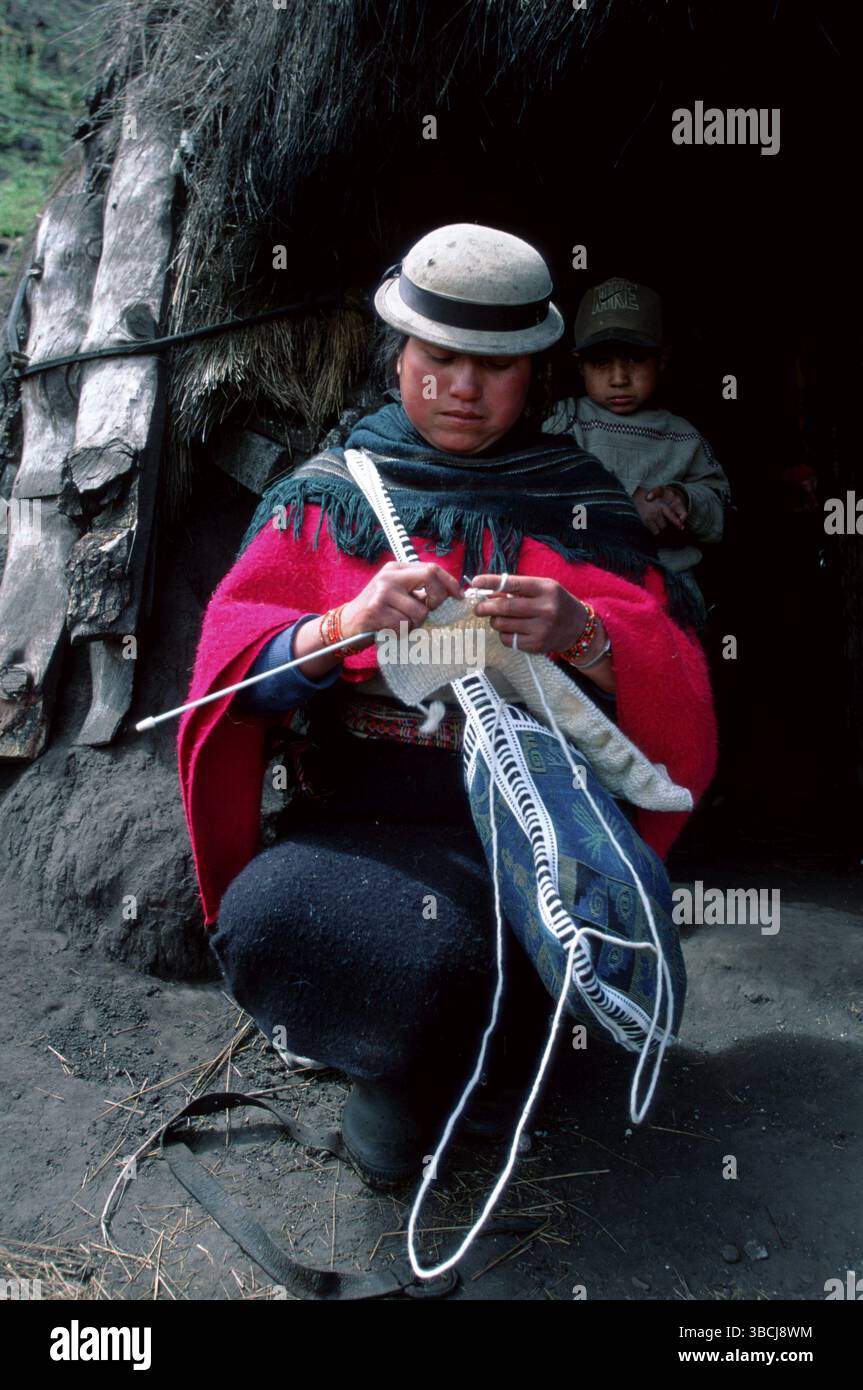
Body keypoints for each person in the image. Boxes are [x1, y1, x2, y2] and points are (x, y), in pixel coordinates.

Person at [178, 225, 717, 1191]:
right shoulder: (325, 498)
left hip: (526, 828)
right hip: (356, 819)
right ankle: (407, 1066)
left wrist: (585, 635)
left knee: (505, 945)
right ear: (400, 357)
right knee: (284, 919)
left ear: (536, 375)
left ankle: (456, 1064)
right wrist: (335, 628)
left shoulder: (580, 501)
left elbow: (677, 684)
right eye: (440, 358)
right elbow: (229, 677)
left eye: (495, 365)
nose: (462, 388)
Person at [543, 276, 731, 624]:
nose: (619, 378)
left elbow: (719, 506)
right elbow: (544, 491)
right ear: (580, 365)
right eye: (601, 363)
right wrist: (627, 505)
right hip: (584, 582)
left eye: (634, 360)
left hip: (670, 589)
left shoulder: (682, 436)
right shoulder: (565, 422)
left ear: (662, 360)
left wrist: (683, 499)